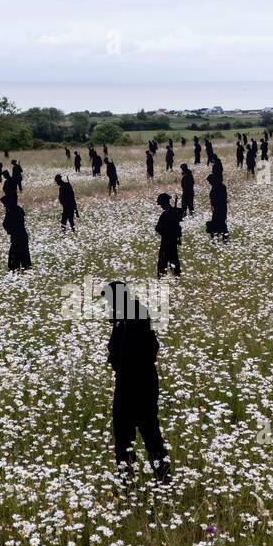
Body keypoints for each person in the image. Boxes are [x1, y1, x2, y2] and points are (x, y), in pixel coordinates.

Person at [102, 281, 171, 485]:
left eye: (110, 301)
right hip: (131, 384)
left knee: (146, 433)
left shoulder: (134, 316)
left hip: (138, 386)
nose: (109, 306)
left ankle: (160, 479)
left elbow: (141, 352)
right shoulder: (126, 316)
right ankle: (129, 480)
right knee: (128, 435)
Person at [154, 192, 184, 277]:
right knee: (174, 262)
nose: (161, 206)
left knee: (162, 264)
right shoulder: (174, 212)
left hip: (166, 241)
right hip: (173, 241)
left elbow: (158, 228)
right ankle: (177, 278)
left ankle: (162, 279)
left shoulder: (167, 213)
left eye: (161, 204)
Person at [2, 194, 32, 271]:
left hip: (17, 237)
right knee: (23, 254)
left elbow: (8, 224)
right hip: (21, 236)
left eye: (5, 204)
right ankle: (24, 269)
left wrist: (9, 230)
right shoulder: (17, 210)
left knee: (16, 255)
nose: (4, 206)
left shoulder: (12, 212)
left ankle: (17, 270)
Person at [205, 173, 229, 241]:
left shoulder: (219, 187)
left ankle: (223, 238)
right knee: (219, 223)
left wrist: (215, 205)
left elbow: (221, 198)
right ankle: (220, 238)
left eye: (210, 181)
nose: (209, 183)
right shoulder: (219, 186)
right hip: (219, 208)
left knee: (220, 223)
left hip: (220, 208)